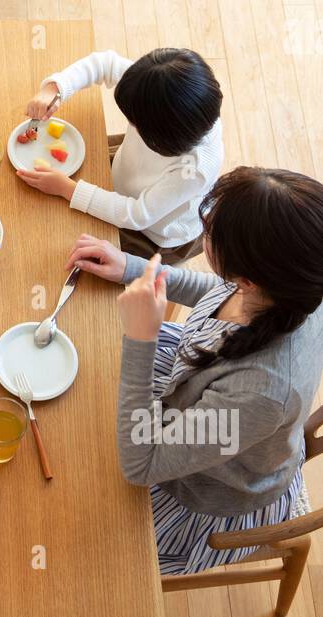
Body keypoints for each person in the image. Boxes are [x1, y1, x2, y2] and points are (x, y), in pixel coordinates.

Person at [66, 167, 323, 574]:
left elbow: (140, 465)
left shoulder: (261, 391)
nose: (204, 236)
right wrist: (132, 267)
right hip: (197, 393)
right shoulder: (296, 285)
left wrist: (141, 340)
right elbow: (219, 292)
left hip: (206, 491)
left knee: (78, 530)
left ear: (250, 280)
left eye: (211, 235)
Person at [21, 47, 223, 264]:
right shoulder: (157, 89)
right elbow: (104, 64)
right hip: (125, 176)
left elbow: (137, 214)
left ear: (161, 137)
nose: (130, 124)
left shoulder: (194, 170)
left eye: (135, 122)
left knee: (70, 248)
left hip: (153, 232)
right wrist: (55, 88)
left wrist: (67, 189)